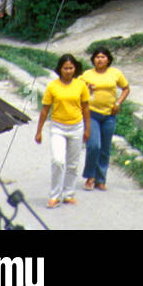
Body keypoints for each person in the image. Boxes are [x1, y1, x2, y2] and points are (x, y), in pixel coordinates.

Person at [35, 54, 90, 208]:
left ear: (75, 69)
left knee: (72, 164)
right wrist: (38, 131)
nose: (68, 71)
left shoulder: (81, 85)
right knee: (58, 161)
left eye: (71, 68)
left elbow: (86, 108)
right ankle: (54, 196)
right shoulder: (52, 86)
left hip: (77, 127)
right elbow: (45, 110)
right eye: (65, 68)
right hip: (58, 127)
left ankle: (68, 194)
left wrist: (87, 129)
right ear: (60, 69)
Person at [81, 45, 130, 191]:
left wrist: (118, 103)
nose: (100, 59)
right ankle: (90, 176)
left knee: (105, 148)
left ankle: (100, 179)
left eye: (103, 57)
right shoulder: (87, 75)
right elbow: (77, 90)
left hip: (109, 115)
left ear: (108, 59)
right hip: (92, 114)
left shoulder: (115, 73)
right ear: (93, 60)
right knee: (93, 145)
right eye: (97, 57)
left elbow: (126, 88)